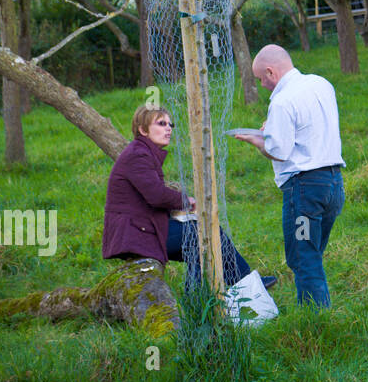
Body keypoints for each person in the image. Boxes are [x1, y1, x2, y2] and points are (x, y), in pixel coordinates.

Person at [102, 106, 273, 291]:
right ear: (143, 130)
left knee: (199, 240)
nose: (169, 128)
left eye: (170, 124)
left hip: (143, 229)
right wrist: (188, 202)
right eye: (161, 123)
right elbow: (156, 195)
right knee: (200, 231)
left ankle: (200, 300)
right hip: (134, 235)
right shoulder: (138, 154)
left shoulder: (143, 152)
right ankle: (244, 285)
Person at [235, 45, 345, 308]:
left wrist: (259, 142)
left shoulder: (282, 101)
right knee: (312, 253)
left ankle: (315, 322)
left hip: (304, 189)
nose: (262, 86)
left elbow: (280, 151)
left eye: (262, 79)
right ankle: (318, 310)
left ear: (271, 72)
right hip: (333, 184)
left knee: (303, 257)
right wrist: (275, 130)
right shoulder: (321, 84)